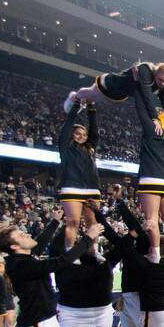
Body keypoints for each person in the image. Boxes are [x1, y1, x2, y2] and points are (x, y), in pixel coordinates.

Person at [132, 77, 164, 263]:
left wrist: (138, 86)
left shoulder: (152, 128)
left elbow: (141, 108)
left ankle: (155, 253)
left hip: (150, 179)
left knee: (151, 218)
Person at [109, 186, 151, 327]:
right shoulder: (132, 242)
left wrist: (121, 203)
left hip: (139, 297)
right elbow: (113, 235)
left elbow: (133, 224)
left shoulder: (145, 243)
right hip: (127, 297)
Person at [57, 99, 102, 253]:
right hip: (71, 187)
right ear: (71, 135)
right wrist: (76, 106)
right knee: (73, 221)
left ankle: (95, 252)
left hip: (92, 188)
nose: (81, 136)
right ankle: (70, 253)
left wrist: (91, 108)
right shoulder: (65, 147)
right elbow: (68, 125)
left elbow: (95, 132)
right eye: (77, 133)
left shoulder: (90, 148)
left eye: (84, 134)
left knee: (92, 221)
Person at [65, 62, 164, 115]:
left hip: (120, 92)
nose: (163, 84)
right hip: (112, 84)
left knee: (95, 98)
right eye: (161, 80)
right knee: (93, 93)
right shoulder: (145, 71)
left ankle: (81, 99)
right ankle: (75, 96)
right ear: (156, 73)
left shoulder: (159, 84)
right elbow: (145, 96)